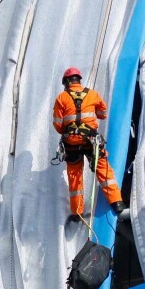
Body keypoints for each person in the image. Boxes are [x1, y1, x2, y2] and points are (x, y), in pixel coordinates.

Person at [53, 68, 124, 224]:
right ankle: (116, 202)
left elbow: (58, 125)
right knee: (103, 168)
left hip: (71, 143)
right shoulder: (92, 94)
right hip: (91, 140)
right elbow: (103, 114)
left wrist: (71, 128)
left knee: (75, 176)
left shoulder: (61, 98)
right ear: (78, 80)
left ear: (67, 82)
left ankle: (77, 212)